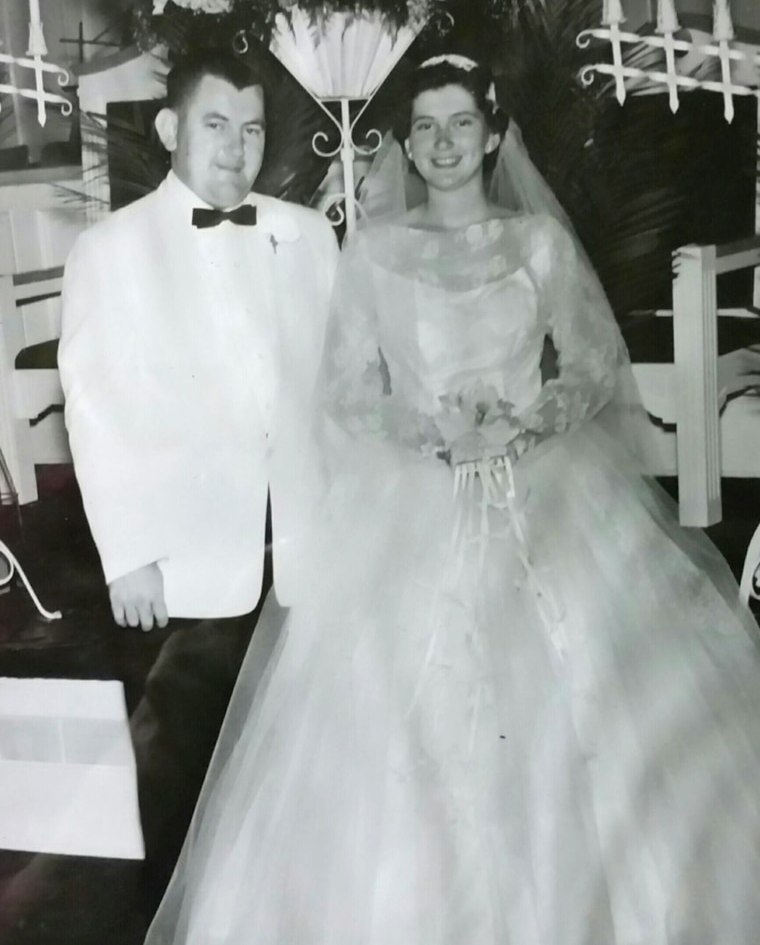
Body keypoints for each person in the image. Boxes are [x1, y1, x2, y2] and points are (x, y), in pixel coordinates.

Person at [145, 55, 760, 944]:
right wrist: (437, 434)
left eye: (460, 123)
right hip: (417, 491)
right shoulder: (375, 250)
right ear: (405, 142)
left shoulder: (538, 244)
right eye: (425, 126)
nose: (442, 143)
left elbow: (593, 363)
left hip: (544, 482)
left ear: (493, 133)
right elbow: (347, 390)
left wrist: (527, 423)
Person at [58, 49, 338, 895]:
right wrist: (128, 555)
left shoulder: (308, 234)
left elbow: (333, 389)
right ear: (169, 128)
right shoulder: (110, 250)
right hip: (183, 565)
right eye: (216, 125)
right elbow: (95, 412)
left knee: (294, 766)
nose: (237, 148)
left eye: (252, 129)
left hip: (300, 549)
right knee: (173, 773)